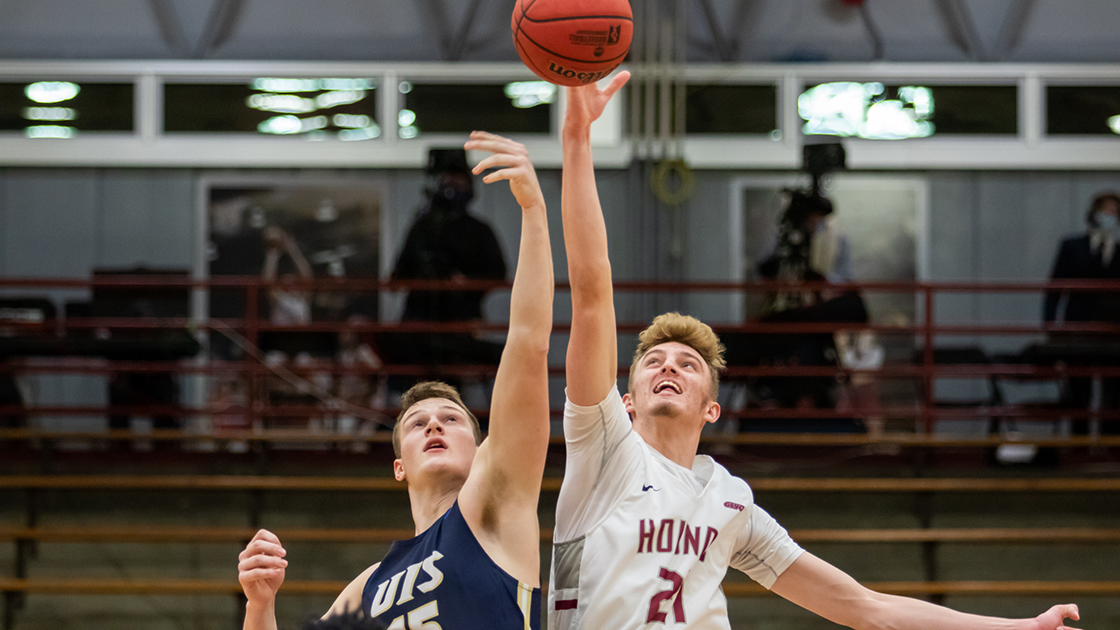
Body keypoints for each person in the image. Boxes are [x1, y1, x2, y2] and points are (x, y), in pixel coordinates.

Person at [550, 71, 1082, 630]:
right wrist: (578, 139)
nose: (669, 366)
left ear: (712, 408)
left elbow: (864, 607)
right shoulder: (605, 452)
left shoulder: (729, 499)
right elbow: (591, 292)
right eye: (653, 362)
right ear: (625, 402)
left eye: (688, 364)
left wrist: (1018, 628)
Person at [237, 132, 553, 630]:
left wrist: (534, 212)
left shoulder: (497, 509)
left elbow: (529, 343)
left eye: (452, 419)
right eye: (416, 423)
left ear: (481, 451)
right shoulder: (367, 587)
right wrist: (260, 605)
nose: (434, 425)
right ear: (399, 466)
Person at [386, 147, 509, 396]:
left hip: (460, 322)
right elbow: (397, 276)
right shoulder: (422, 228)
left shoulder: (478, 230)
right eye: (446, 179)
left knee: (453, 382)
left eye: (458, 179)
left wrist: (466, 283)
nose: (451, 186)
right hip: (420, 322)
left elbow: (498, 273)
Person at [1043, 191, 1120, 435]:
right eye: (1106, 210)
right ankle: (1080, 443)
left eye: (1115, 212)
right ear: (1094, 214)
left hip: (1112, 331)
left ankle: (1109, 445)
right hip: (1078, 328)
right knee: (1079, 391)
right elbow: (1055, 287)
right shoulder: (1072, 246)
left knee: (1113, 393)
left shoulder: (1118, 251)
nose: (1110, 216)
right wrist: (1051, 325)